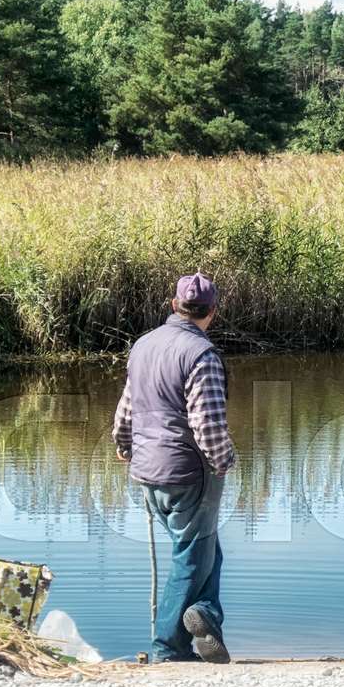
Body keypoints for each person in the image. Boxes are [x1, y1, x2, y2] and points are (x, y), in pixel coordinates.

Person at [111, 273, 235, 664]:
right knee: (192, 556)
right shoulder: (202, 355)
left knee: (203, 551)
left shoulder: (143, 346)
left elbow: (127, 406)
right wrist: (223, 461)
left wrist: (123, 443)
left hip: (147, 471)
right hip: (188, 473)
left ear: (172, 304)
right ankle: (171, 646)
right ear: (212, 311)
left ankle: (203, 616)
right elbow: (207, 423)